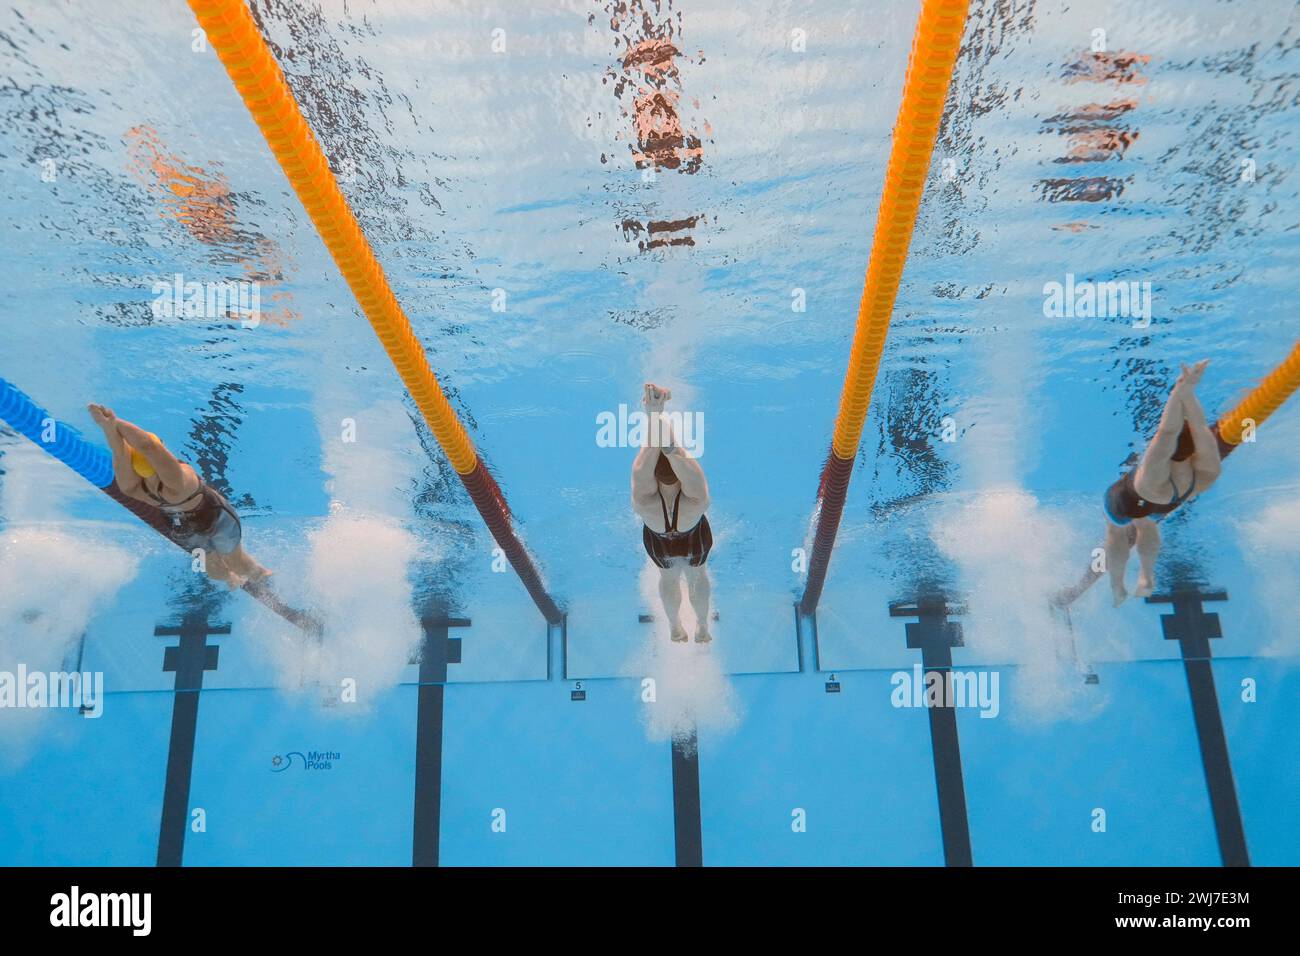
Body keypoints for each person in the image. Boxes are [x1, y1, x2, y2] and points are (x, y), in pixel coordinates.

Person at [88, 403, 270, 589]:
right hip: (197, 525)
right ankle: (239, 577)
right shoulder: (165, 482)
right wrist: (112, 423)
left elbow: (122, 454)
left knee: (226, 567)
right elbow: (144, 447)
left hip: (208, 520)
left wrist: (109, 428)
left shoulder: (141, 487)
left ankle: (262, 576)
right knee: (225, 568)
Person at [1101, 360, 1221, 605]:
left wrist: (1181, 390)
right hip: (1169, 501)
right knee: (1146, 525)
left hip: (1133, 496)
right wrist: (1186, 394)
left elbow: (1167, 430)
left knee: (1115, 530)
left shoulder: (1153, 470)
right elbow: (1201, 430)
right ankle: (1146, 576)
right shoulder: (1207, 472)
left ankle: (1117, 587)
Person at [631, 383, 713, 642]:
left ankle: (675, 626)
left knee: (667, 577)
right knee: (698, 575)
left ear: (655, 476)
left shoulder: (644, 496)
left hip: (657, 532)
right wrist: (656, 414)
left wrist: (653, 414)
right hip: (692, 527)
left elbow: (654, 450)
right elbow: (671, 448)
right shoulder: (696, 494)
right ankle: (702, 627)